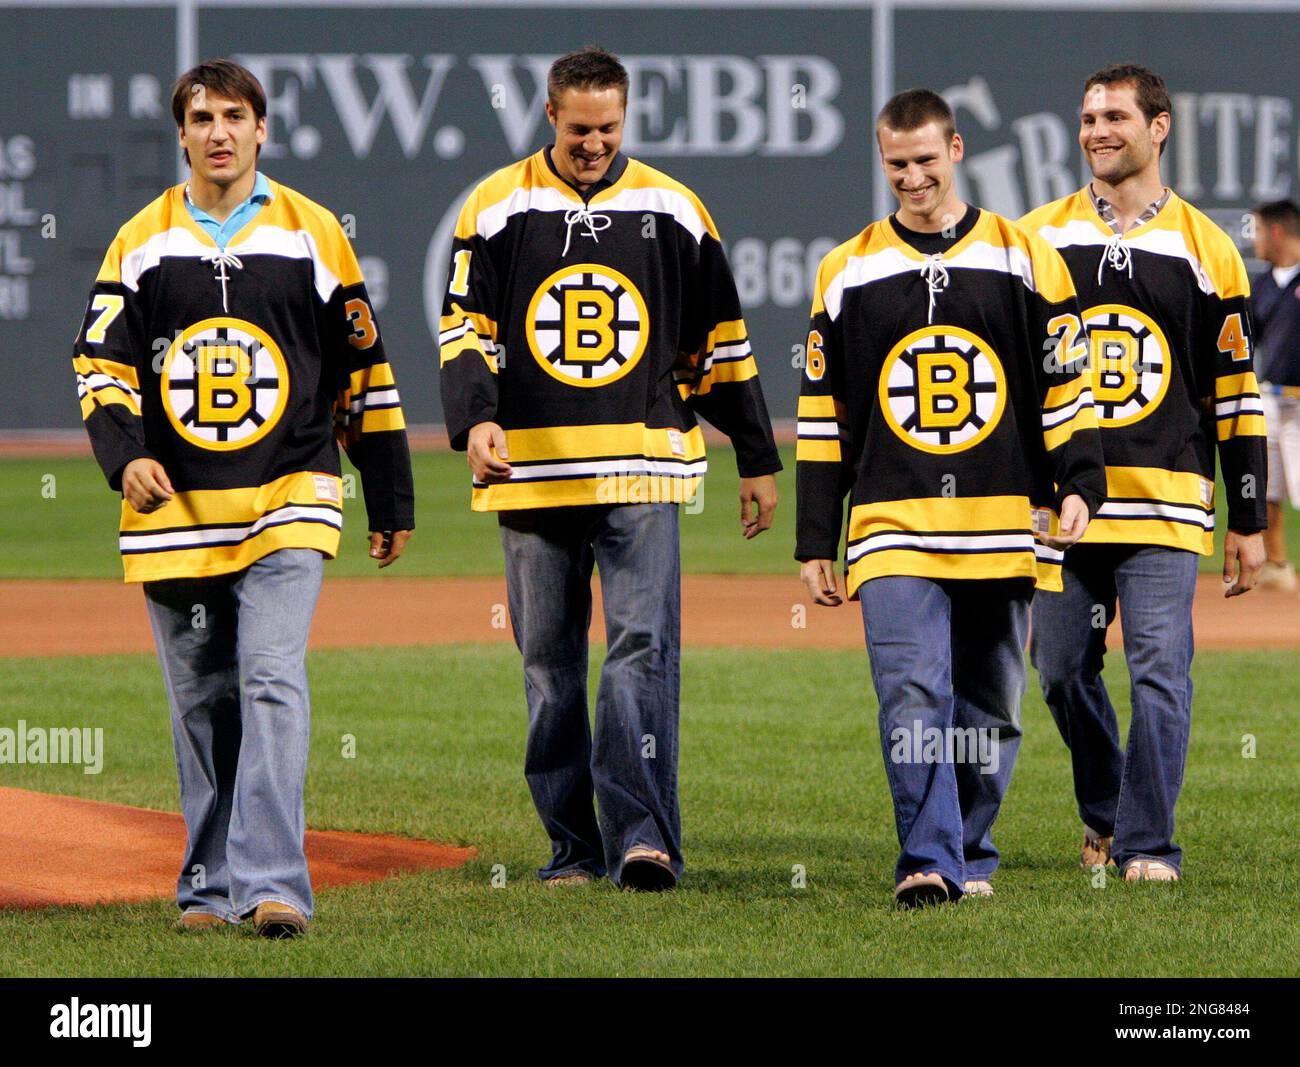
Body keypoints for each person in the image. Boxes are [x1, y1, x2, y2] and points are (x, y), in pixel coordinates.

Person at [73, 58, 415, 936]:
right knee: (201, 699)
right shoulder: (139, 241)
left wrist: (389, 494)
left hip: (291, 492)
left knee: (269, 675)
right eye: (201, 117)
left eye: (235, 115)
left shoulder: (313, 235)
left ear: (262, 128)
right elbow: (100, 366)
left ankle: (272, 886)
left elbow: (364, 371)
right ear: (180, 134)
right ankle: (208, 883)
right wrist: (125, 458)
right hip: (175, 508)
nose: (219, 131)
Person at [439, 46, 780, 891]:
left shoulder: (674, 208)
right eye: (581, 128)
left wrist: (757, 458)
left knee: (641, 649)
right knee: (549, 670)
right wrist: (477, 418)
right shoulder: (494, 207)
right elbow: (463, 330)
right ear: (550, 116)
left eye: (610, 129)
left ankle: (642, 838)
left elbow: (720, 345)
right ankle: (570, 847)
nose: (595, 144)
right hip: (533, 471)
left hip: (644, 467)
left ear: (625, 120)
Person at [795, 88, 1105, 908]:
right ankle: (927, 857)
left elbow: (1066, 385)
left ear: (957, 150)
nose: (912, 178)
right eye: (896, 164)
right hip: (893, 524)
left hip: (1008, 518)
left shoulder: (1023, 255)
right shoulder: (847, 269)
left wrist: (1082, 480)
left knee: (991, 707)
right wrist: (815, 538)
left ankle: (969, 848)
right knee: (912, 691)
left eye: (926, 160)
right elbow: (823, 419)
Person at [1021, 64, 1266, 882]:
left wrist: (1251, 518)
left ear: (1159, 127)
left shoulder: (1209, 248)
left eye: (1115, 115)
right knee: (1058, 670)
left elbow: (1234, 396)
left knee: (1160, 668)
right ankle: (1109, 809)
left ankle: (1147, 844)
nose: (1097, 130)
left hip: (1165, 498)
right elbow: (1018, 382)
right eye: (1088, 115)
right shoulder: (1036, 237)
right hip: (1063, 508)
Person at [1249, 199, 1300, 591]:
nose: (1256, 239)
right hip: (1270, 396)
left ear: (1278, 232)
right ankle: (1278, 566)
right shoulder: (1263, 285)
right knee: (1268, 487)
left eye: (1260, 230)